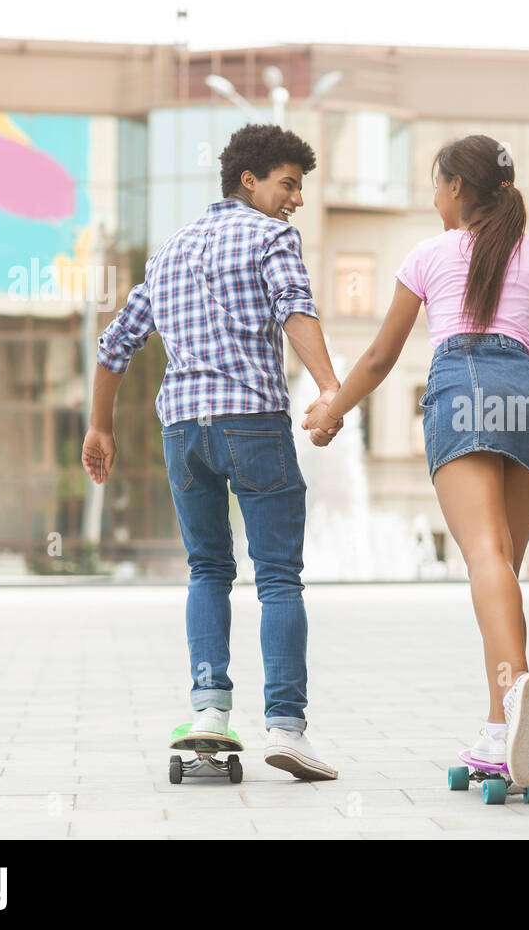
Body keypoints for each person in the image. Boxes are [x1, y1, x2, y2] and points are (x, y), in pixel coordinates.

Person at [301, 134, 529, 787]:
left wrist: (332, 408)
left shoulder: (427, 256)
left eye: (436, 184)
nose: (432, 195)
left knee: (485, 561)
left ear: (457, 190)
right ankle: (501, 722)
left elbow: (382, 357)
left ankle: (506, 715)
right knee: (502, 565)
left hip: (466, 393)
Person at [82, 124, 343, 781]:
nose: (296, 200)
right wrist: (331, 386)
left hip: (182, 433)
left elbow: (116, 344)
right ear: (248, 181)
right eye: (289, 184)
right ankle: (286, 727)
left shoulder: (169, 251)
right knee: (279, 574)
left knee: (207, 569)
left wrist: (100, 427)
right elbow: (295, 307)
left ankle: (209, 712)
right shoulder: (270, 236)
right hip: (250, 419)